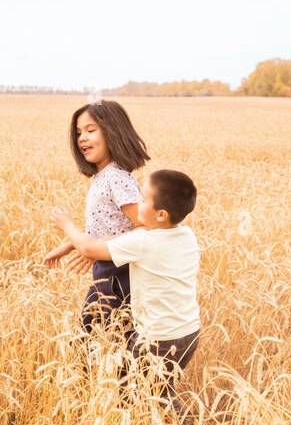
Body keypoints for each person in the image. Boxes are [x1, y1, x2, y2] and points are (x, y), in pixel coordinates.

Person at [51, 168, 200, 402]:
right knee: (159, 392)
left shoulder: (143, 241)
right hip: (188, 332)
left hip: (156, 338)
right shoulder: (187, 235)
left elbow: (90, 250)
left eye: (143, 198)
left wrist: (67, 225)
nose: (137, 203)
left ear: (160, 215)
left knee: (131, 397)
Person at [42, 100, 150, 340]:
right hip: (107, 265)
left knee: (95, 339)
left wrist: (68, 226)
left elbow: (144, 228)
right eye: (79, 132)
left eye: (91, 130)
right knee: (94, 338)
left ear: (113, 131)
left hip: (119, 272)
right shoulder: (101, 176)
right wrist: (69, 246)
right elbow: (106, 224)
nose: (82, 138)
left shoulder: (117, 177)